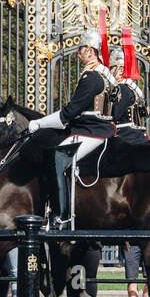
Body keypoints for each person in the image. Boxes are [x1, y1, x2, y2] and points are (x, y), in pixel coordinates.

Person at [26, 27, 119, 229]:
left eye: (81, 49)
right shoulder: (107, 76)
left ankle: (61, 216)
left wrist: (39, 123)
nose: (78, 53)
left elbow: (67, 114)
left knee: (56, 157)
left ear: (91, 50)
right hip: (104, 129)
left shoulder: (91, 77)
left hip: (91, 131)